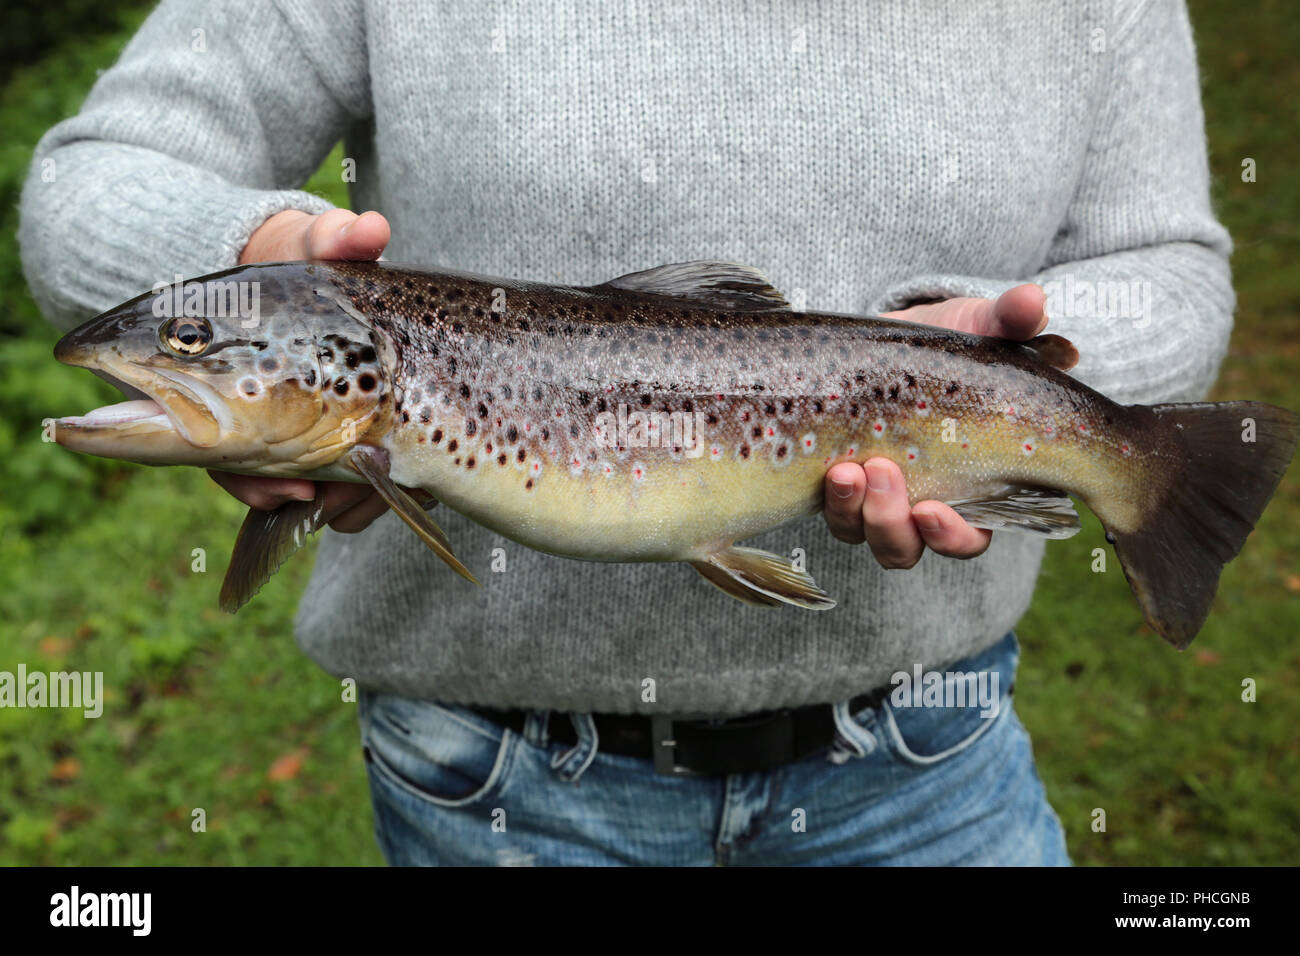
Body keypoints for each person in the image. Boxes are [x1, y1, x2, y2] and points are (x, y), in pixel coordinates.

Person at [20, 0, 1232, 865]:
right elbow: (92, 182)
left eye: (191, 350)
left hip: (936, 760)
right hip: (488, 791)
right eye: (194, 353)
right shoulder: (329, 332)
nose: (177, 361)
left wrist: (992, 371)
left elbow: (1170, 262)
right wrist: (251, 265)